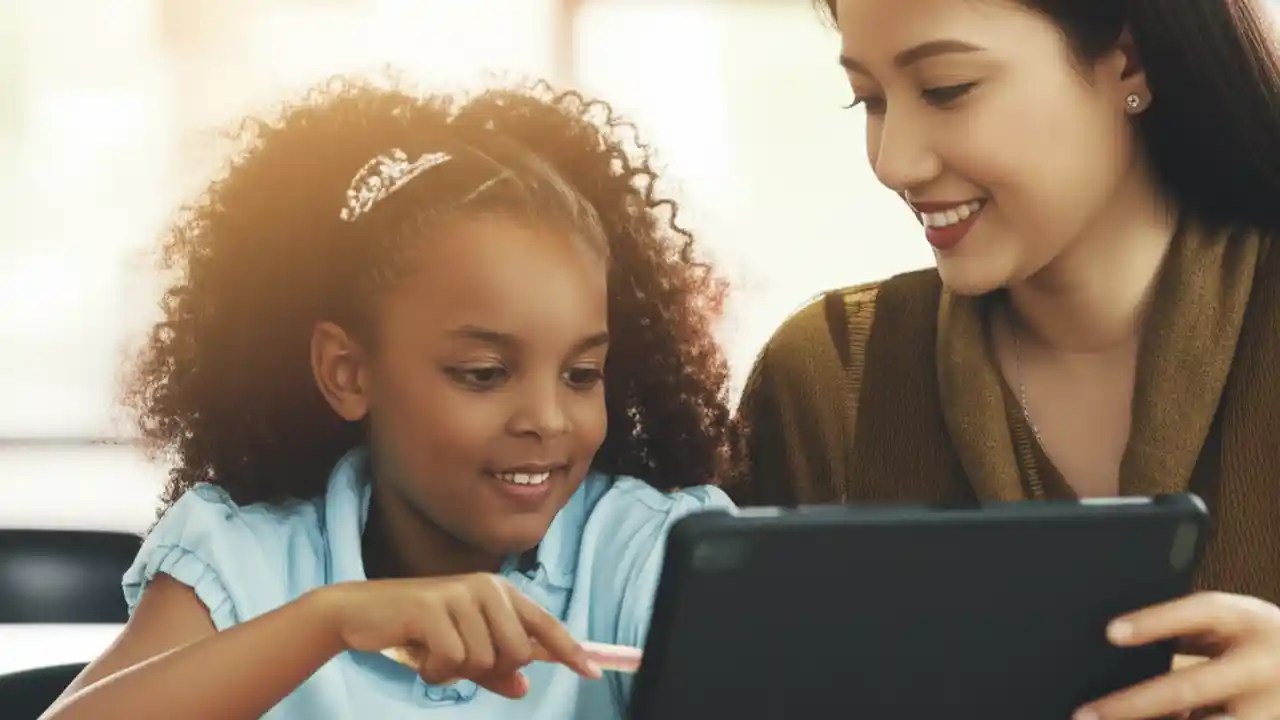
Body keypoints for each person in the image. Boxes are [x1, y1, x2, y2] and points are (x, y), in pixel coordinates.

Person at [44, 78, 737, 719]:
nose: (547, 419)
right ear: (347, 372)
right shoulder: (241, 561)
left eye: (582, 374)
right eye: (484, 373)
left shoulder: (654, 554)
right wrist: (331, 620)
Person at [730, 1, 1280, 717]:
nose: (894, 162)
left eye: (946, 89)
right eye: (869, 99)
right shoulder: (829, 380)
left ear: (1129, 61)